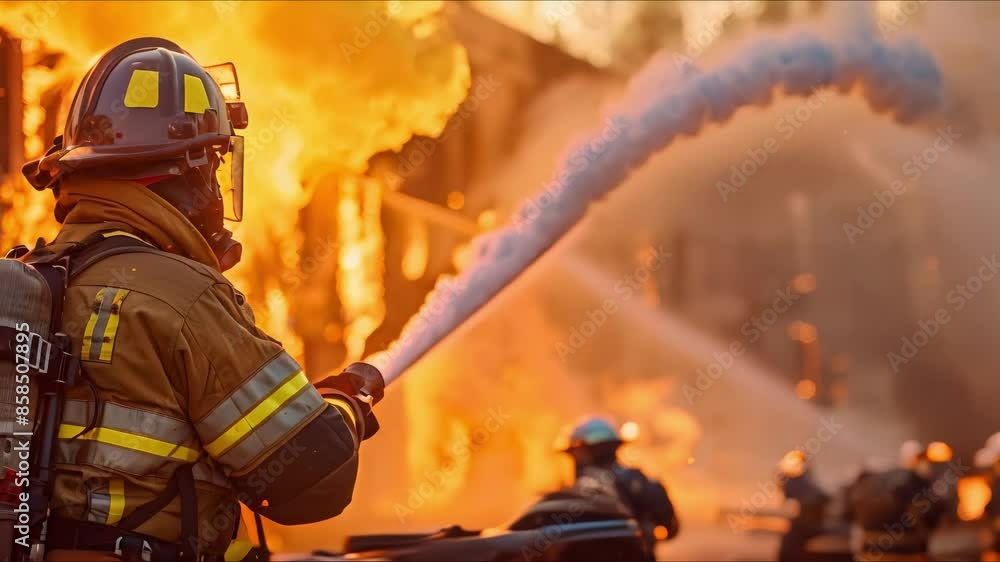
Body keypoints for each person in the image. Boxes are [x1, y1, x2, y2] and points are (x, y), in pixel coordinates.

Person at [17, 37, 384, 561]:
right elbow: (310, 478)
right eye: (211, 167)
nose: (214, 191)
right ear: (186, 170)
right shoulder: (183, 297)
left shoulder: (31, 280)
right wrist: (350, 403)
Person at [561, 417, 679, 561]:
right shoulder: (637, 483)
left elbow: (669, 527)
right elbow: (670, 527)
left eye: (577, 452)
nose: (575, 459)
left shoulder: (565, 496)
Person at [846, 443, 948, 561]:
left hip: (868, 551)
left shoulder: (870, 481)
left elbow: (848, 513)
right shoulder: (915, 480)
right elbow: (934, 515)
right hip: (906, 551)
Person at [775, 450, 832, 562]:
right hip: (809, 525)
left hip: (807, 526)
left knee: (788, 543)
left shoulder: (800, 481)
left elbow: (784, 486)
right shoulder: (804, 481)